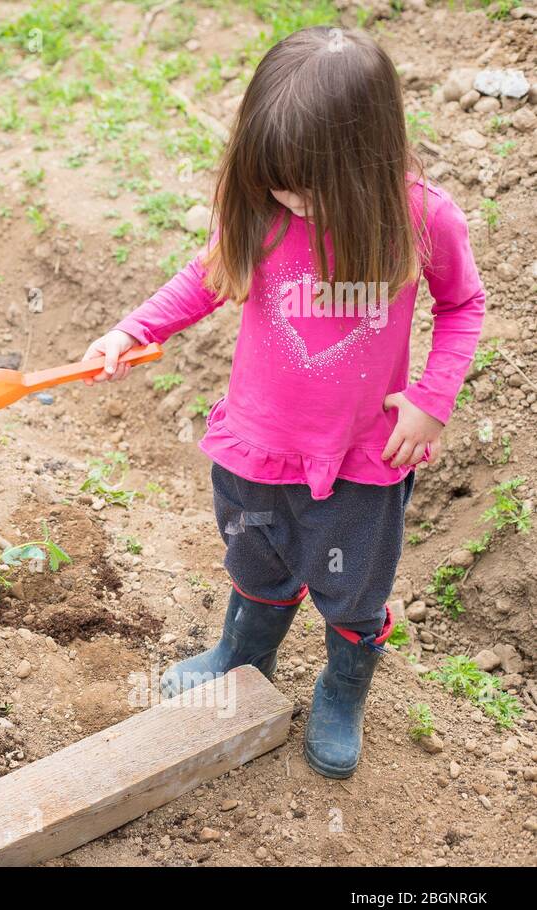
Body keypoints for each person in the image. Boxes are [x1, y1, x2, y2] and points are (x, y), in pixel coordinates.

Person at [81, 27, 484, 778]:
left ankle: (342, 687)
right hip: (257, 450)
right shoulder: (267, 209)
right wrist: (131, 329)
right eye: (276, 183)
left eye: (306, 186)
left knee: (353, 588)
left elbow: (463, 305)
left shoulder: (422, 219)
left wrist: (433, 397)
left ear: (364, 160)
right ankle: (245, 653)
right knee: (256, 557)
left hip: (363, 459)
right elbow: (205, 277)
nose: (290, 201)